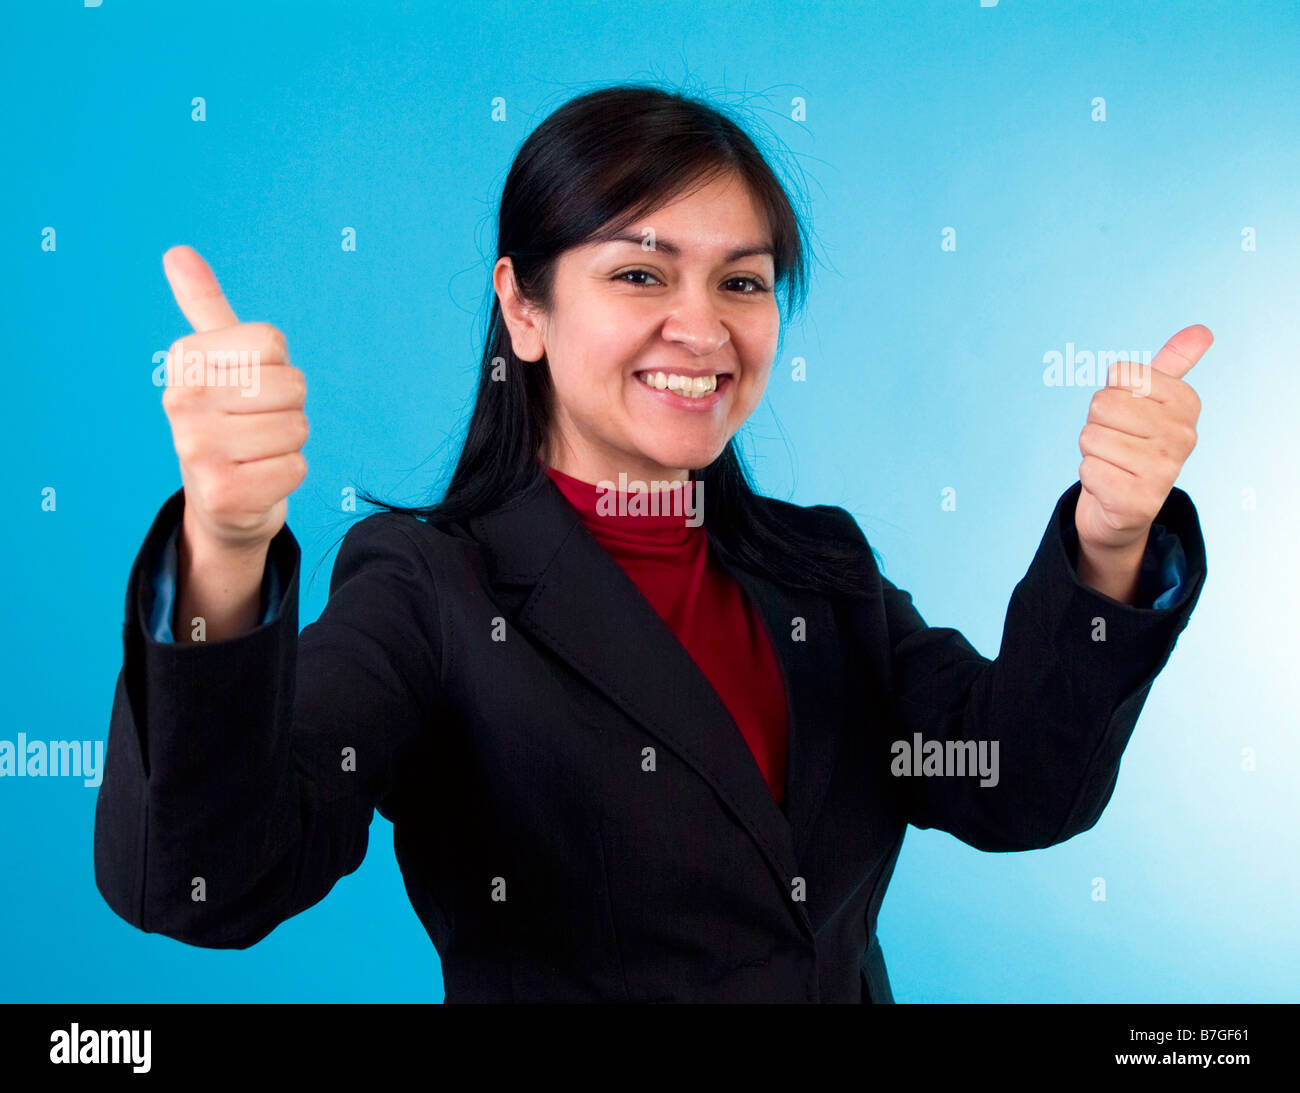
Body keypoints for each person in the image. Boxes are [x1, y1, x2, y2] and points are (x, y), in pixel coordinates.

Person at [94, 84, 1208, 1003]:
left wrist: (1109, 540)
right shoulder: (431, 586)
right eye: (639, 272)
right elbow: (200, 880)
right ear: (523, 312)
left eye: (742, 282)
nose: (703, 325)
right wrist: (227, 550)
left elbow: (1015, 784)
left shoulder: (823, 571)